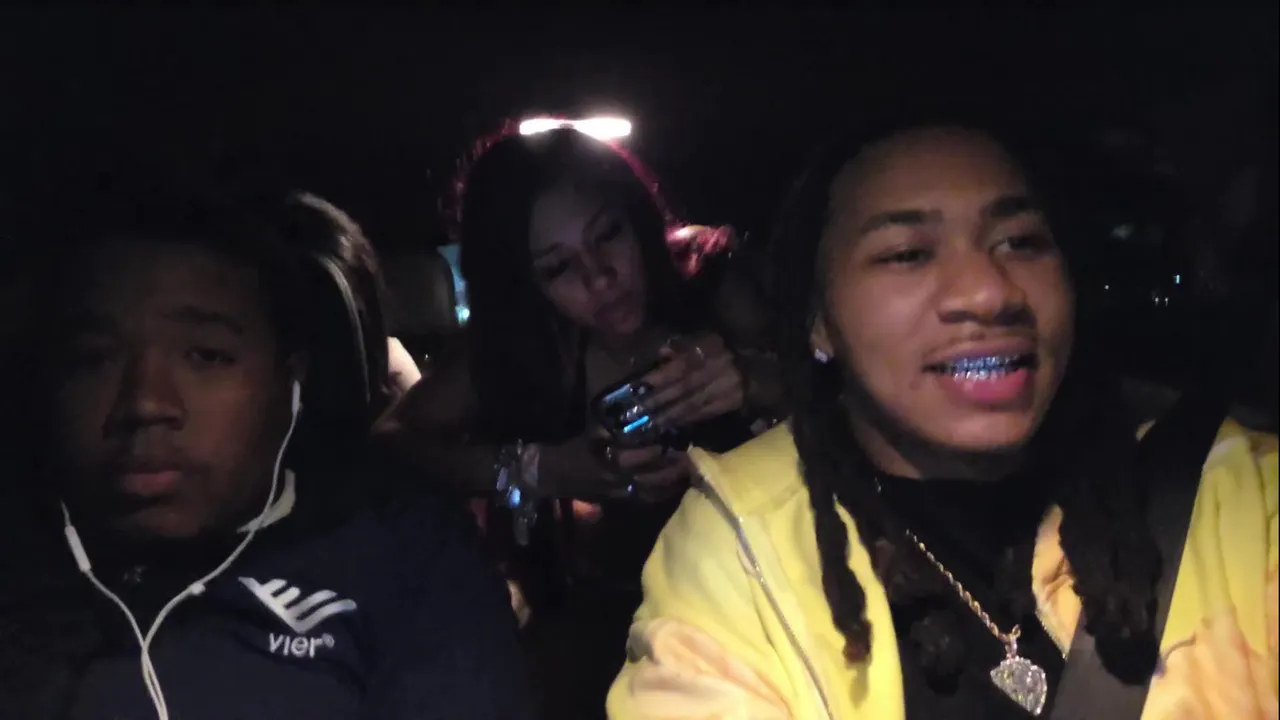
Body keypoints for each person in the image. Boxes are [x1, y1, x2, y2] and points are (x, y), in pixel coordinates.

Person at [607, 118, 1278, 718]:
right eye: (907, 253)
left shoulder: (1240, 496)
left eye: (1020, 242)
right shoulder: (739, 544)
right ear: (819, 322)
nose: (988, 292)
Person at [0, 186, 531, 720]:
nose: (144, 402)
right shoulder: (26, 556)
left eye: (206, 355)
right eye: (94, 359)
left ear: (290, 380)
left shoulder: (402, 552)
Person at [384, 125, 785, 717]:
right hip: (593, 628)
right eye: (558, 268)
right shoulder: (517, 347)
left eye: (608, 235)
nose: (600, 277)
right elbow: (390, 444)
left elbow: (850, 394)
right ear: (524, 282)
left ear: (637, 217)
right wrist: (533, 468)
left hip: (763, 601)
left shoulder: (710, 282)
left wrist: (752, 378)